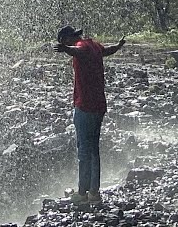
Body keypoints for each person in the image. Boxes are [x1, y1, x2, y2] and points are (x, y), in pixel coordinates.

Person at [53, 25, 125, 205]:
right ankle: (94, 193)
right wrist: (118, 45)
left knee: (84, 151)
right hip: (99, 105)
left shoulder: (82, 47)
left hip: (84, 106)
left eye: (62, 41)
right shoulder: (94, 46)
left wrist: (66, 49)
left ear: (67, 38)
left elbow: (77, 51)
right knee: (94, 150)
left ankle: (82, 194)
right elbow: (108, 51)